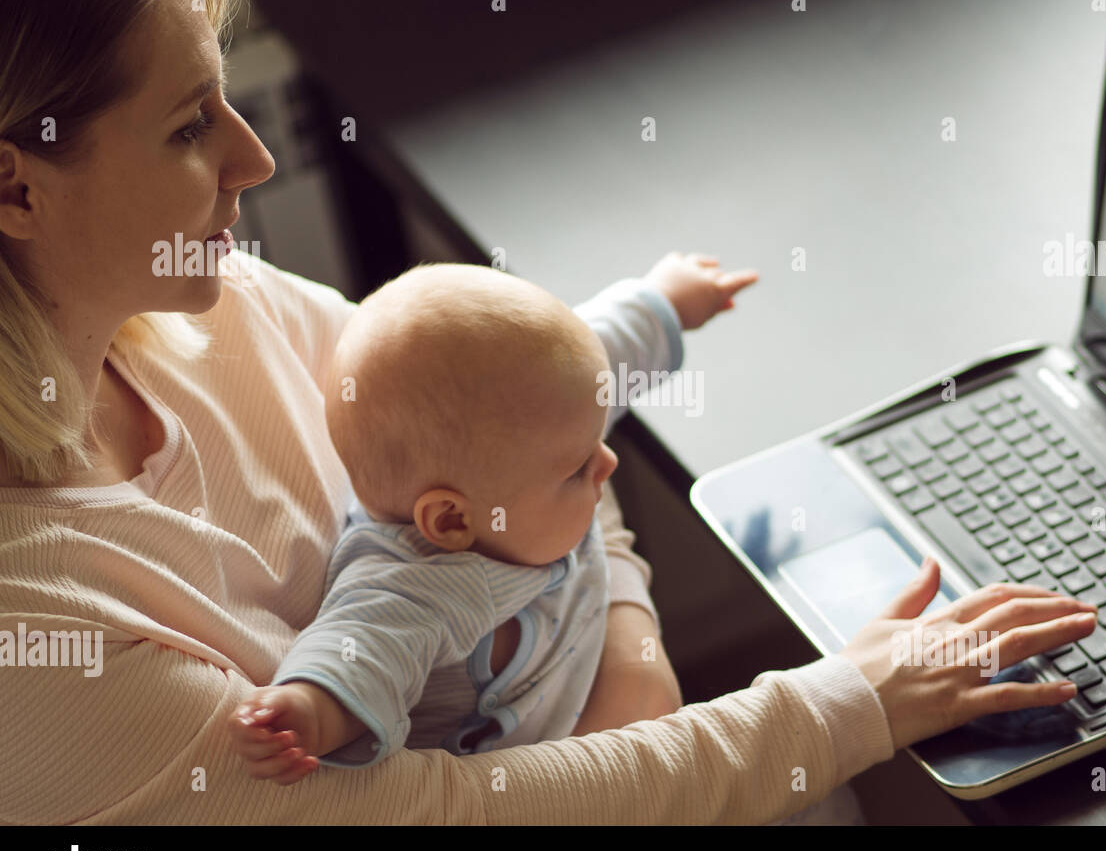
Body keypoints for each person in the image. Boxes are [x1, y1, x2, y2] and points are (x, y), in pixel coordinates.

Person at [0, 0, 1097, 825]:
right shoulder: (32, 632)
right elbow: (449, 816)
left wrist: (630, 663)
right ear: (16, 185)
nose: (256, 159)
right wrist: (846, 704)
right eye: (190, 125)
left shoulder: (217, 299)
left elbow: (527, 414)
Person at [229, 261, 741, 779]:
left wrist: (666, 301)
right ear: (451, 520)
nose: (608, 461)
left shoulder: (530, 431)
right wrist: (307, 711)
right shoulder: (417, 586)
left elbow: (601, 354)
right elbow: (359, 651)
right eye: (576, 469)